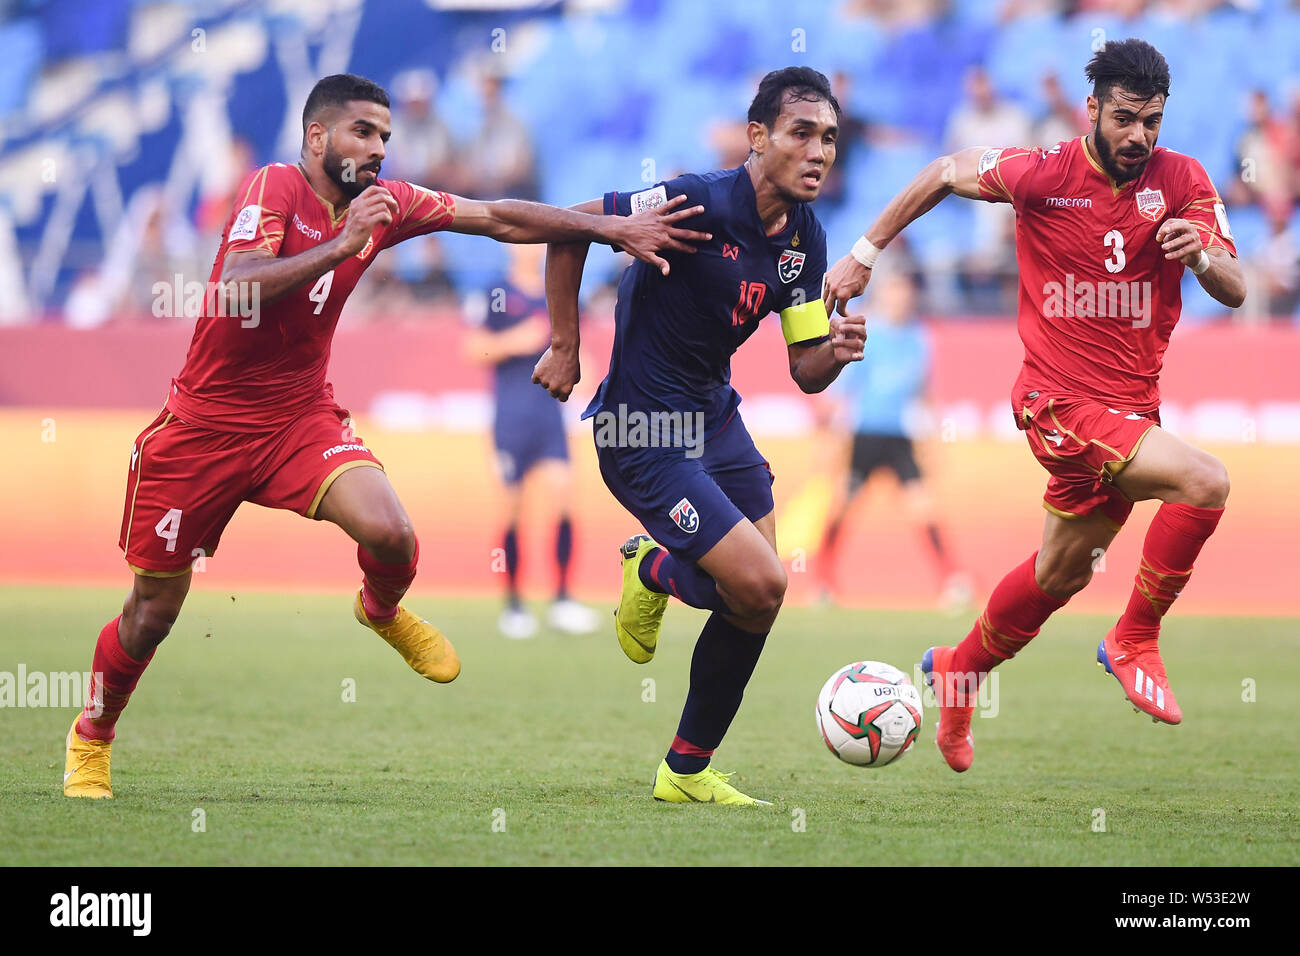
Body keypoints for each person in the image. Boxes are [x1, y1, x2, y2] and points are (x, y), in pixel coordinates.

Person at [63, 72, 710, 799]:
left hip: (296, 420)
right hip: (203, 430)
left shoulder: (388, 204)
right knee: (153, 611)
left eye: (385, 137)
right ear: (317, 137)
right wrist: (346, 243)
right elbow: (237, 286)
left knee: (393, 533)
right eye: (362, 132)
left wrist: (607, 228)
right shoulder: (274, 188)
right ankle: (92, 737)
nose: (377, 149)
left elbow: (498, 217)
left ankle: (379, 609)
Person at [824, 39, 1245, 772]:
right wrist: (865, 250)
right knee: (1204, 482)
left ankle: (959, 670)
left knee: (1061, 573)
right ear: (1093, 109)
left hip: (1130, 413)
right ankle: (1135, 637)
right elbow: (945, 171)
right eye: (1124, 118)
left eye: (1151, 120)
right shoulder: (1042, 174)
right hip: (1056, 404)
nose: (1138, 135)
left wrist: (1202, 256)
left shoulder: (1183, 181)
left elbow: (1236, 288)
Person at [535, 66, 867, 805]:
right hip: (643, 429)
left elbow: (804, 368)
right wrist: (564, 344)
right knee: (762, 581)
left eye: (831, 139)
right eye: (802, 133)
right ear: (758, 137)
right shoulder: (695, 200)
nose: (819, 152)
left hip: (714, 419)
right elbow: (568, 227)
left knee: (757, 598)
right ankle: (652, 570)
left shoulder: (805, 240)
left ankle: (684, 772)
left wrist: (835, 352)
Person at [463, 242, 600, 638]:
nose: (534, 247)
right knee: (512, 510)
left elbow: (578, 350)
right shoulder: (495, 293)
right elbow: (473, 349)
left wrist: (585, 374)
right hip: (510, 420)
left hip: (549, 417)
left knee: (563, 500)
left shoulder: (555, 292)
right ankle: (514, 605)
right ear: (509, 246)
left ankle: (562, 599)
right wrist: (515, 341)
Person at [816, 264, 970, 610]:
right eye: (895, 291)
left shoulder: (919, 338)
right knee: (842, 506)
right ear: (884, 295)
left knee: (924, 507)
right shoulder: (868, 333)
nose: (901, 298)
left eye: (906, 292)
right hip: (865, 437)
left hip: (900, 439)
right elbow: (842, 393)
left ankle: (951, 580)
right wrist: (827, 442)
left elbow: (924, 391)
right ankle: (823, 581)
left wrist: (935, 439)